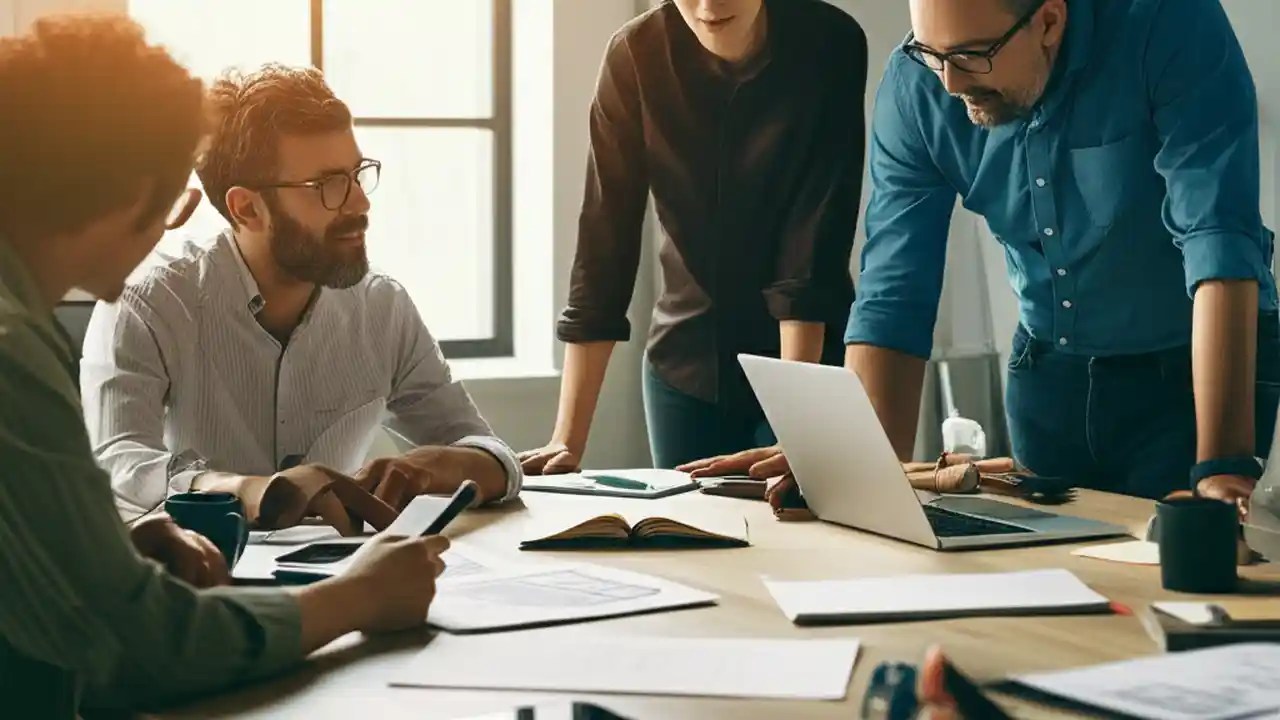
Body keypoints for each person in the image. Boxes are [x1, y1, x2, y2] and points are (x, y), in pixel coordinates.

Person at [0, 16, 449, 718]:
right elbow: (150, 641)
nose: (176, 225)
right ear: (115, 194)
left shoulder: (18, 327)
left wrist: (116, 543)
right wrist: (358, 598)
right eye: (176, 202)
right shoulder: (12, 355)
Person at [685, 0, 1280, 511]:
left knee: (1191, 595)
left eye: (971, 55)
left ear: (1049, 20)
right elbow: (895, 286)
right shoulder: (916, 82)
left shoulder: (1168, 26)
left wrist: (1222, 464)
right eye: (931, 52)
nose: (948, 83)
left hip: (1194, 372)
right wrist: (849, 462)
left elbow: (1218, 239)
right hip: (1048, 377)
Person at [81, 64, 522, 531]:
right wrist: (248, 490)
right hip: (198, 581)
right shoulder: (150, 303)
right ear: (246, 208)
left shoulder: (382, 308)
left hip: (354, 578)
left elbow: (494, 457)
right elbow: (117, 467)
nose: (359, 203)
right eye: (328, 185)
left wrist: (438, 466)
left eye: (357, 175)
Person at [518, 0, 868, 474]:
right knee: (687, 542)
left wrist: (796, 424)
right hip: (684, 369)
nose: (707, 6)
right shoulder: (635, 55)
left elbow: (813, 240)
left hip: (808, 363)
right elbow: (604, 244)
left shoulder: (832, 43)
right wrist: (567, 440)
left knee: (805, 540)